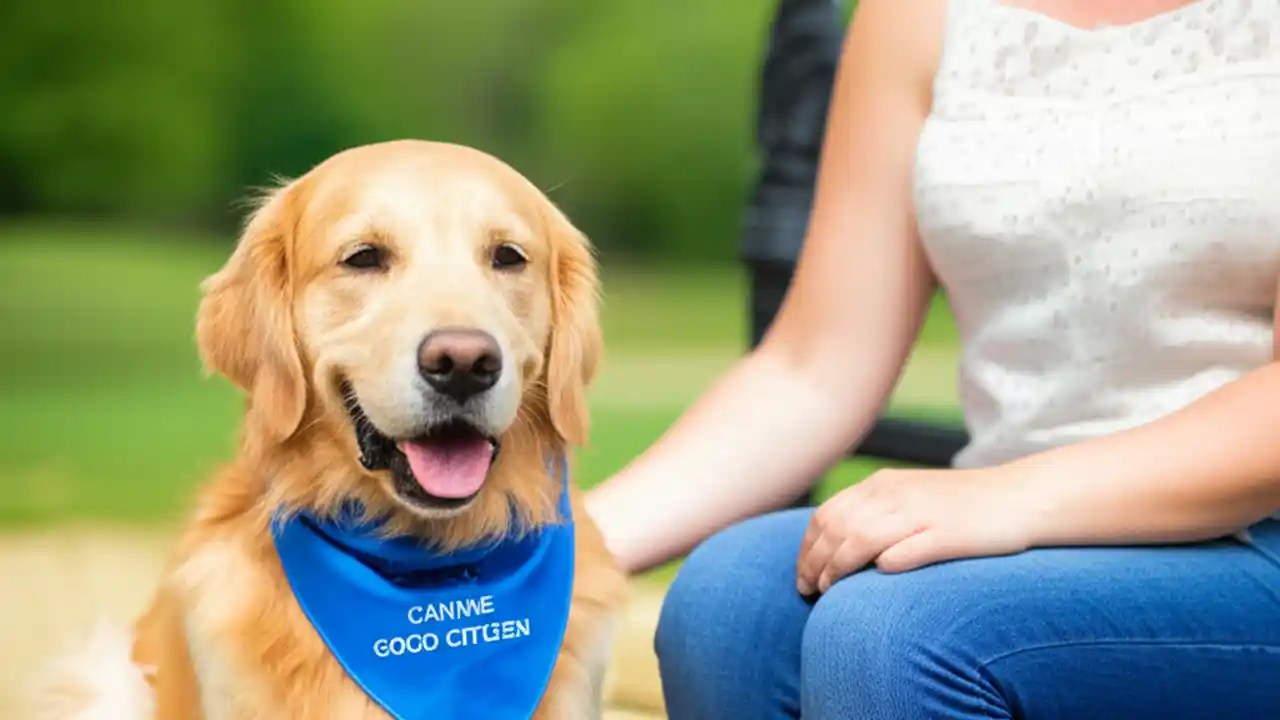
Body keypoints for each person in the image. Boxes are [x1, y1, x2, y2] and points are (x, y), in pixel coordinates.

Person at [584, 0, 1280, 717]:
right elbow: (813, 367)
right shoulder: (914, 17)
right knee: (729, 608)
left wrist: (1007, 496)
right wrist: (561, 553)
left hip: (1254, 534)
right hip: (1015, 517)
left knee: (895, 634)